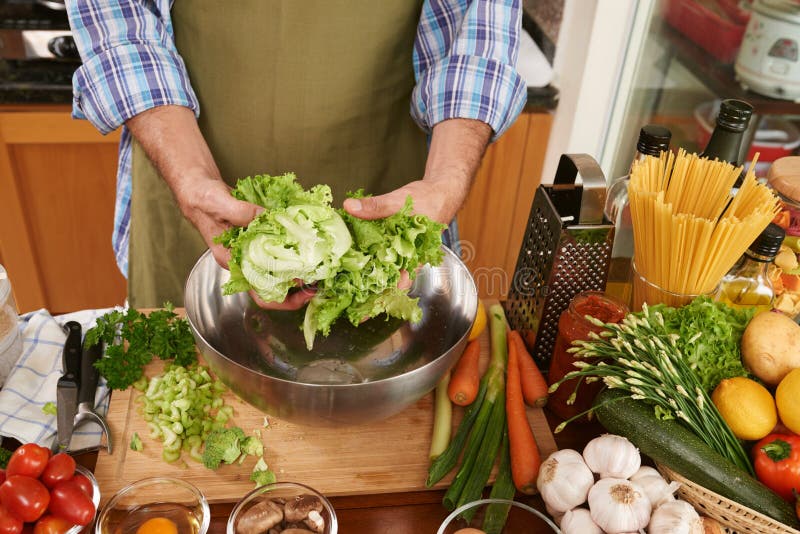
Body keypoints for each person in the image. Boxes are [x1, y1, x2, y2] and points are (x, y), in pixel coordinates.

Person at [66, 1, 527, 309]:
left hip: (385, 162)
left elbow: (481, 24)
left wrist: (444, 184)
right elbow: (116, 17)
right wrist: (190, 176)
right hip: (186, 165)